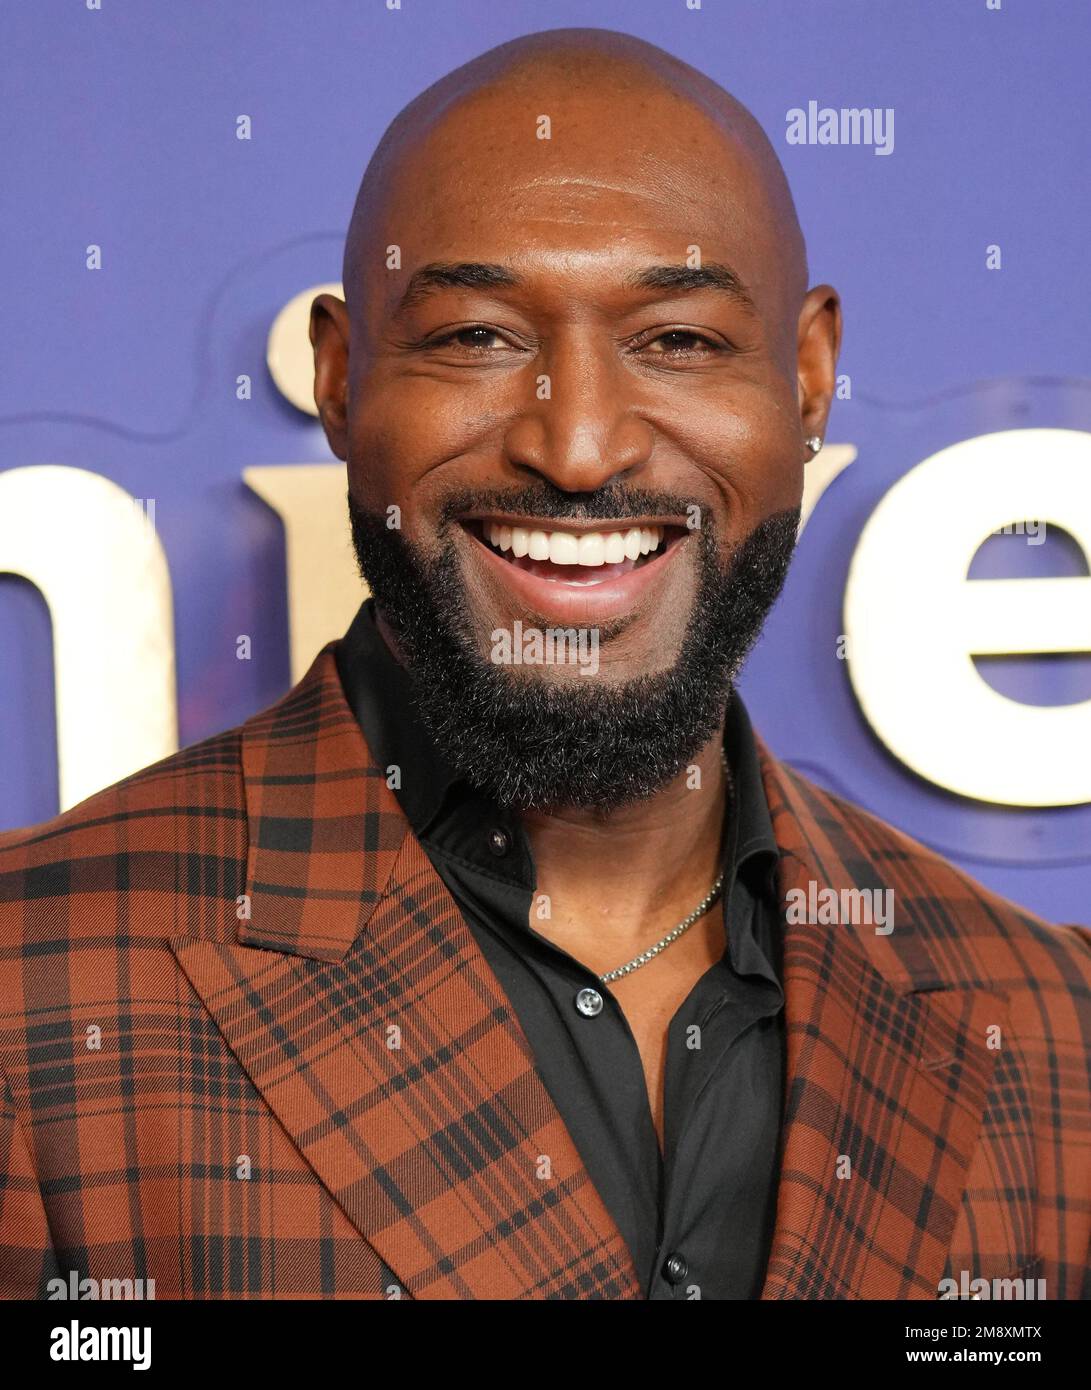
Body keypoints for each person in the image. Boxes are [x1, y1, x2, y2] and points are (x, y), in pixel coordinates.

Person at [1, 27, 1088, 1301]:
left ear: (805, 379)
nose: (576, 448)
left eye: (676, 339)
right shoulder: (34, 992)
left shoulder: (1049, 1024)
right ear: (341, 381)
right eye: (475, 337)